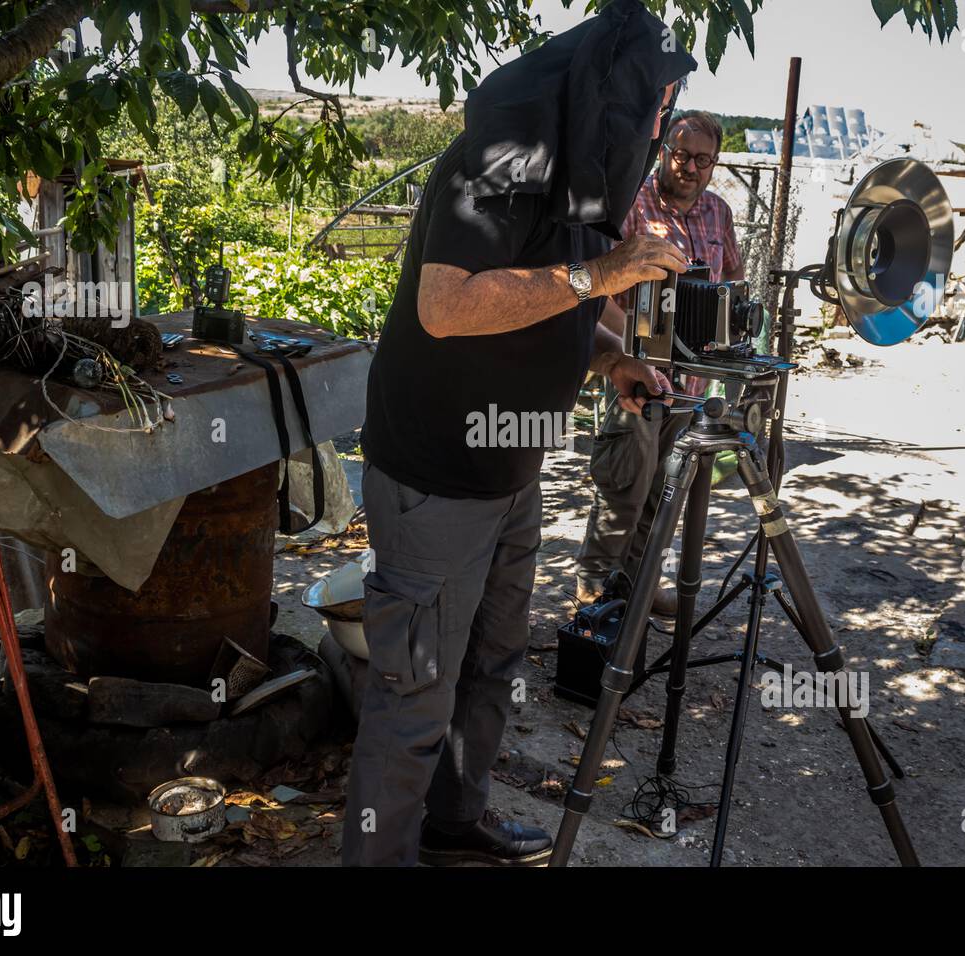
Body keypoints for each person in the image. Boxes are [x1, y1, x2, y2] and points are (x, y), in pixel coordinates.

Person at [342, 0, 697, 867]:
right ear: (610, 97)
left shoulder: (586, 173)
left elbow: (553, 308)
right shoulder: (492, 165)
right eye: (652, 103)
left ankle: (455, 823)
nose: (658, 124)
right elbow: (449, 305)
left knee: (492, 664)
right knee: (414, 689)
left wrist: (612, 357)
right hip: (435, 475)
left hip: (512, 465)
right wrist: (603, 273)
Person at [575, 110, 745, 616]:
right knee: (625, 485)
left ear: (714, 164)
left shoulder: (719, 213)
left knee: (664, 492)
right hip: (638, 375)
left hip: (690, 385)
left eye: (702, 159)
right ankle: (592, 595)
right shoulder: (631, 203)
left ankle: (637, 588)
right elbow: (593, 285)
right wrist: (626, 345)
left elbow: (730, 280)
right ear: (665, 151)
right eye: (681, 154)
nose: (689, 167)